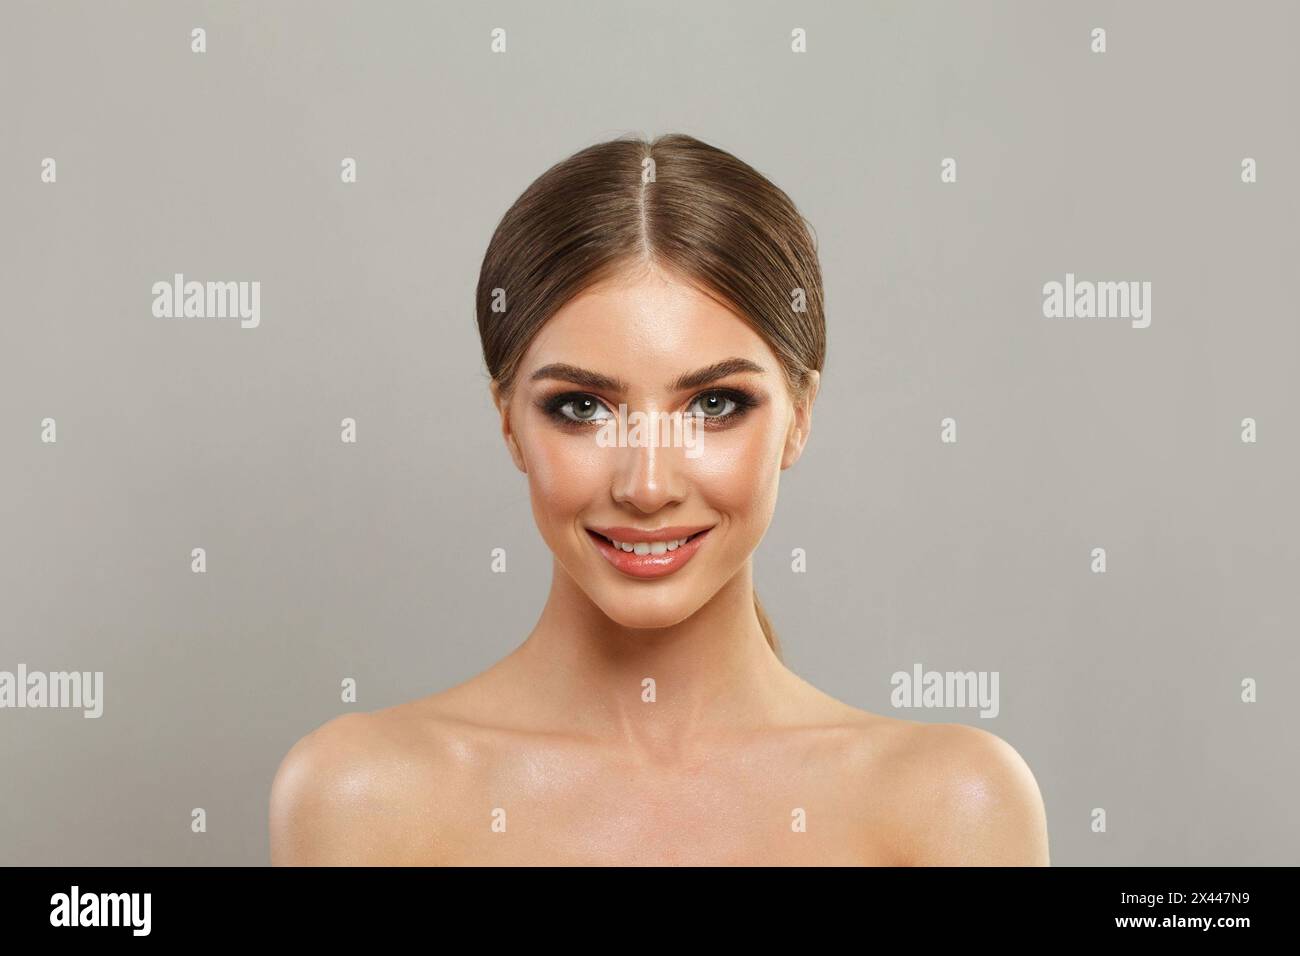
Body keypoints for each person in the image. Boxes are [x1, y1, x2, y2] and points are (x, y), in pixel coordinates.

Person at [269, 133, 1050, 865]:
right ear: (508, 420)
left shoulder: (954, 807)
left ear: (799, 416)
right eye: (581, 407)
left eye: (714, 406)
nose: (647, 486)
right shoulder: (361, 798)